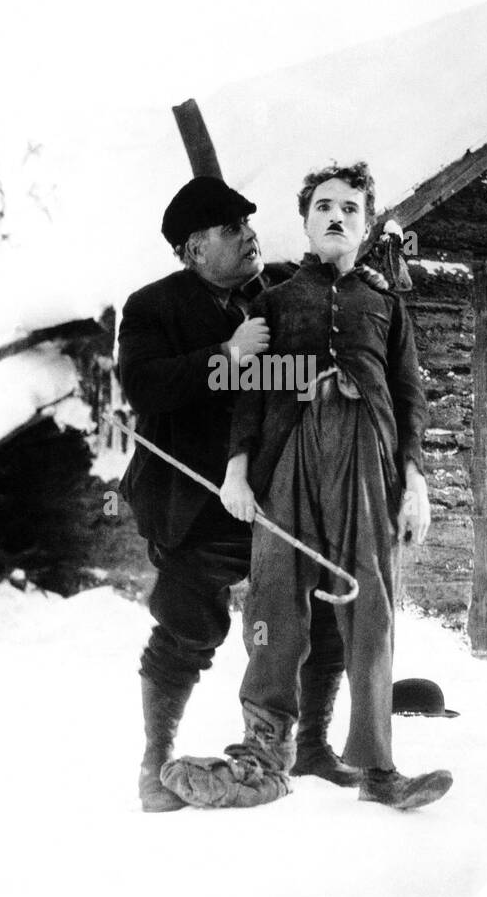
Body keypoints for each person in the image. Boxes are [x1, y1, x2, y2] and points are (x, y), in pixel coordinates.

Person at [160, 162, 454, 812]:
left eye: (350, 208)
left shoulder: (384, 305)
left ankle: (377, 768)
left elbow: (410, 402)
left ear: (367, 222)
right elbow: (250, 395)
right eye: (323, 206)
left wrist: (414, 484)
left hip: (366, 465)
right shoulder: (274, 301)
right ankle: (263, 757)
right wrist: (237, 471)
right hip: (285, 460)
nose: (336, 217)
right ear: (304, 220)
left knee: (370, 609)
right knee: (272, 607)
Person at [118, 175, 359, 812]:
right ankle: (154, 763)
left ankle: (311, 747)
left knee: (320, 609)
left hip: (279, 492)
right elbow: (145, 388)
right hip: (195, 504)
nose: (250, 237)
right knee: (187, 628)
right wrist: (224, 354)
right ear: (194, 250)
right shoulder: (152, 308)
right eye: (231, 231)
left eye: (249, 226)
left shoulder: (279, 288)